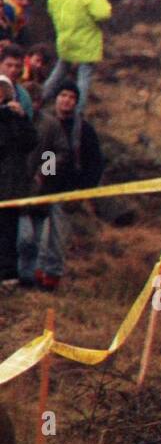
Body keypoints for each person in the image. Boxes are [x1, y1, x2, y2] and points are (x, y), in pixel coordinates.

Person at [19, 80, 99, 290]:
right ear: (55, 98)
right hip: (40, 189)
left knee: (57, 238)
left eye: (72, 97)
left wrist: (84, 189)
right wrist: (45, 171)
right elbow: (44, 151)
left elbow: (94, 162)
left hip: (67, 190)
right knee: (32, 237)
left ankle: (51, 278)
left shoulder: (84, 130)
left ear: (76, 102)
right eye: (63, 95)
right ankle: (31, 273)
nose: (66, 100)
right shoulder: (43, 121)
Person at [43, 0, 111, 113]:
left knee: (59, 71)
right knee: (84, 77)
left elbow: (50, 10)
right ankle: (77, 112)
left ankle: (40, 98)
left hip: (65, 39)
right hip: (86, 40)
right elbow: (103, 13)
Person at [0, 75, 36, 284]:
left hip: (23, 188)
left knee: (24, 238)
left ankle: (19, 275)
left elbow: (48, 152)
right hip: (18, 186)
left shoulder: (44, 123)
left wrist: (46, 176)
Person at [0, 44, 32, 117]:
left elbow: (28, 126)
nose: (13, 70)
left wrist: (22, 115)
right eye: (9, 65)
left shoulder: (24, 97)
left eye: (17, 66)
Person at [21, 42, 52, 109]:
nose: (39, 65)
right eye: (37, 60)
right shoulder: (22, 69)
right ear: (29, 57)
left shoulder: (41, 74)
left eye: (42, 63)